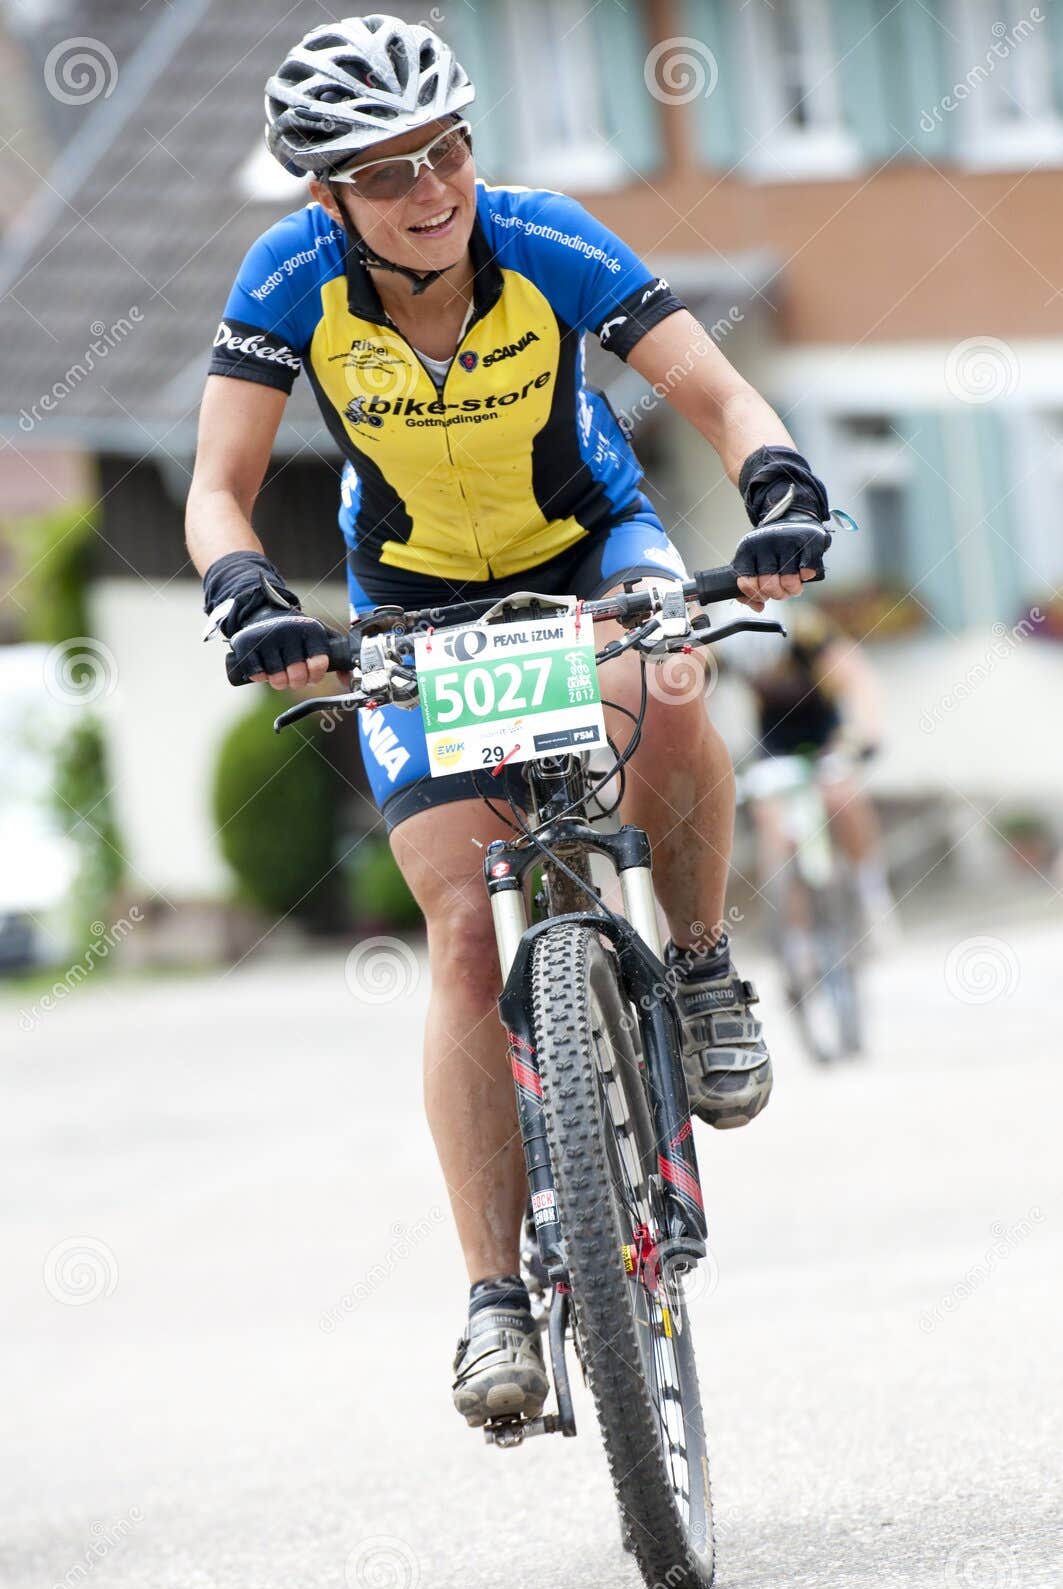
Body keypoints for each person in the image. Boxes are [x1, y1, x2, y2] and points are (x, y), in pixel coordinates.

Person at [185, 14, 833, 1430]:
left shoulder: (543, 236)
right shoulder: (286, 280)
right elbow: (219, 486)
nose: (433, 187)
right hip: (409, 600)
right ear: (327, 201)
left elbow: (713, 392)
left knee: (669, 679)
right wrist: (249, 594)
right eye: (389, 171)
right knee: (466, 933)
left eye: (448, 149)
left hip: (590, 550)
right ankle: (491, 1295)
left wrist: (776, 481)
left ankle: (708, 970)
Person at [732, 600, 896, 960]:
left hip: (827, 733)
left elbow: (858, 680)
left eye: (773, 669)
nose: (769, 679)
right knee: (773, 825)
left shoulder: (808, 633)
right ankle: (795, 938)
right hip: (775, 745)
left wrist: (863, 736)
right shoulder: (724, 647)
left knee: (843, 797)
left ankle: (870, 889)